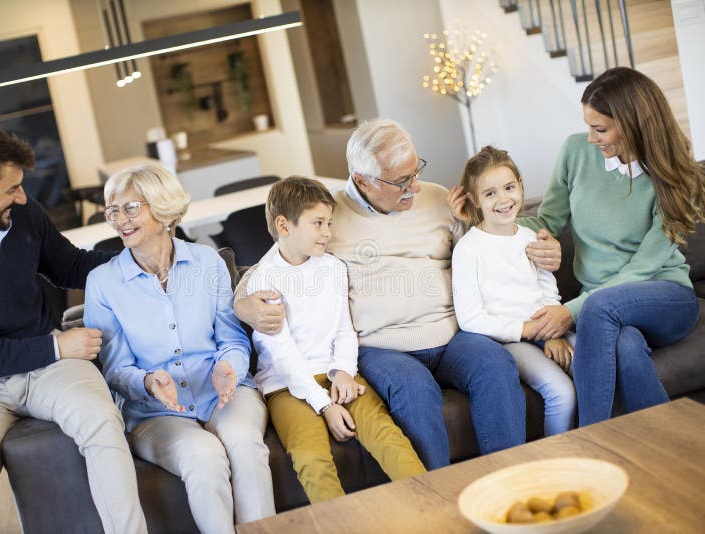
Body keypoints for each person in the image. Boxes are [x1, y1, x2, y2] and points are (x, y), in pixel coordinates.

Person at [235, 119, 562, 470]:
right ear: (362, 180)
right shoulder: (328, 216)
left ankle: (509, 485)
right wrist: (244, 305)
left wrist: (544, 248)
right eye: (402, 180)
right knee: (415, 392)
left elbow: (493, 239)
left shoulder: (438, 200)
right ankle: (437, 506)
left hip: (454, 335)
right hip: (383, 347)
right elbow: (266, 268)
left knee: (495, 366)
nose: (416, 186)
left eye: (416, 171)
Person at [0, 122, 147, 534]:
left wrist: (139, 254)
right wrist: (55, 348)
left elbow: (70, 266)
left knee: (104, 424)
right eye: (10, 189)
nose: (21, 197)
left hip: (51, 370)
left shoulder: (21, 214)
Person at [84, 165, 275, 534]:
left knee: (246, 446)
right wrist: (148, 381)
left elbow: (232, 338)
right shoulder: (102, 283)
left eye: (130, 208)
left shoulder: (207, 263)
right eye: (112, 210)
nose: (119, 220)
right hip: (156, 413)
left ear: (162, 208)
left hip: (224, 392)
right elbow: (114, 369)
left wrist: (230, 367)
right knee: (203, 458)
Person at [514, 67, 704, 425]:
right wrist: (486, 219)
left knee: (599, 307)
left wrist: (570, 311)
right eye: (588, 126)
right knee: (626, 345)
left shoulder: (677, 179)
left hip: (665, 297)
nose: (590, 138)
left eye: (600, 129)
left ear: (633, 124)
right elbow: (546, 221)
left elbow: (642, 269)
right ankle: (671, 446)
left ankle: (590, 439)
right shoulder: (574, 151)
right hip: (606, 308)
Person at [246, 177, 426, 503]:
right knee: (311, 458)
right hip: (286, 386)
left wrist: (343, 370)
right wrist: (325, 404)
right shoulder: (264, 279)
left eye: (329, 222)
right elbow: (283, 357)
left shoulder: (333, 268)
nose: (328, 232)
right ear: (284, 225)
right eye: (318, 223)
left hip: (336, 374)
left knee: (386, 435)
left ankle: (435, 509)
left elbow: (344, 329)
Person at [452, 145, 576, 436]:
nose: (503, 199)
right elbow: (471, 319)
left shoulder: (531, 237)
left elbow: (548, 290)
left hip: (545, 328)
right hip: (510, 340)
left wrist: (552, 332)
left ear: (521, 185)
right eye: (490, 193)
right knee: (561, 392)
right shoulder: (469, 249)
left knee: (593, 363)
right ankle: (557, 461)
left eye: (509, 187)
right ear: (474, 200)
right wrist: (531, 330)